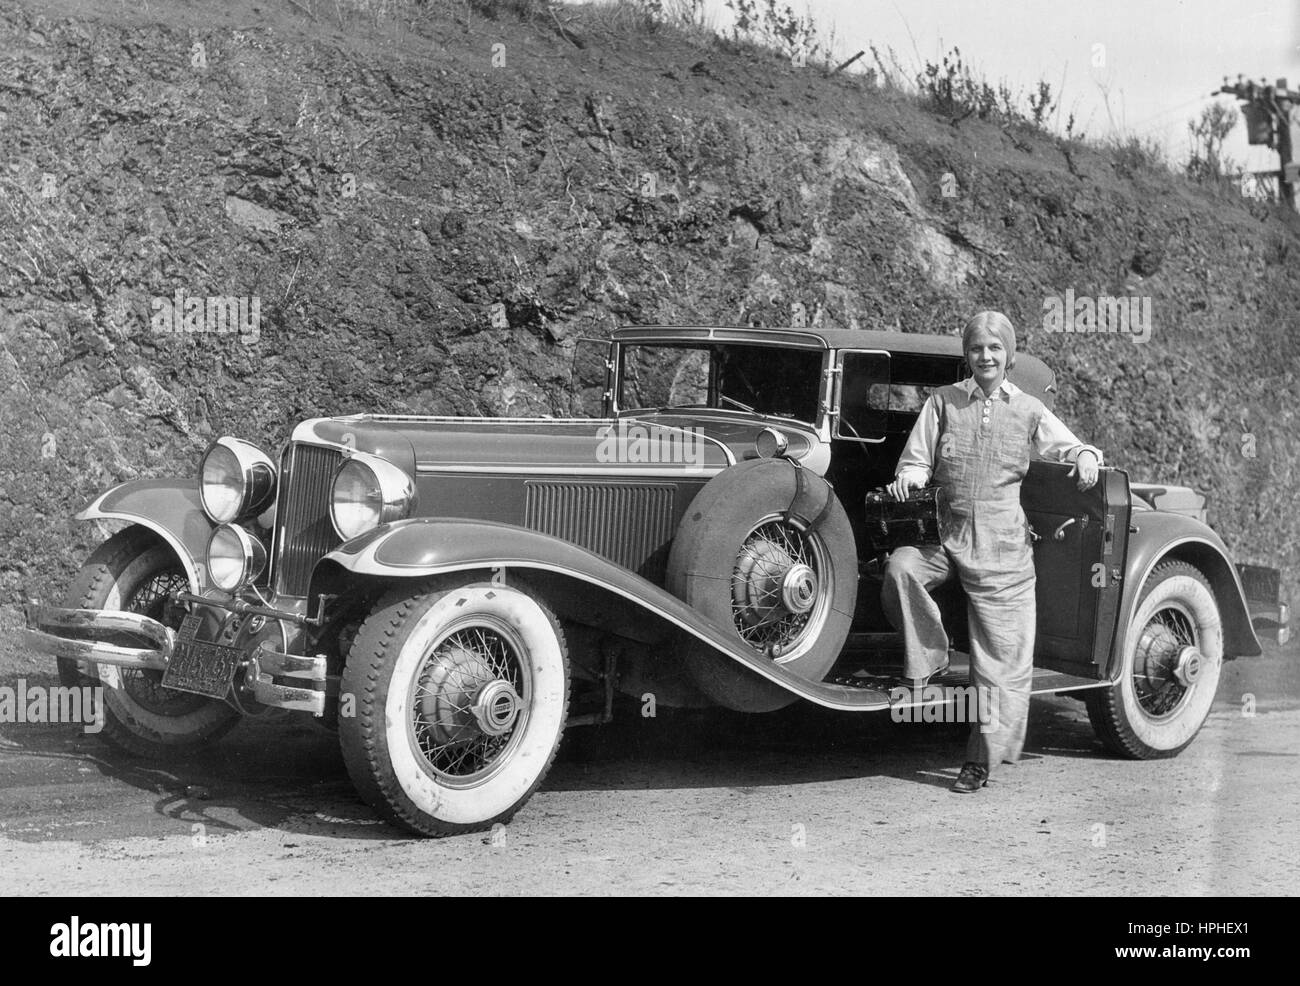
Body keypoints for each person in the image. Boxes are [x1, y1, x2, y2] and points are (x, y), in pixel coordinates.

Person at [882, 311, 1102, 793]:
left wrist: (1085, 455)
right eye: (977, 348)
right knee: (901, 568)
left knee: (1001, 662)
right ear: (967, 355)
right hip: (945, 536)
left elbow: (1068, 447)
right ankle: (930, 659)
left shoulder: (1028, 410)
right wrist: (910, 480)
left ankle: (979, 762)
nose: (985, 357)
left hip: (1003, 550)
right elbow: (916, 460)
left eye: (995, 349)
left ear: (1009, 356)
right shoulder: (942, 403)